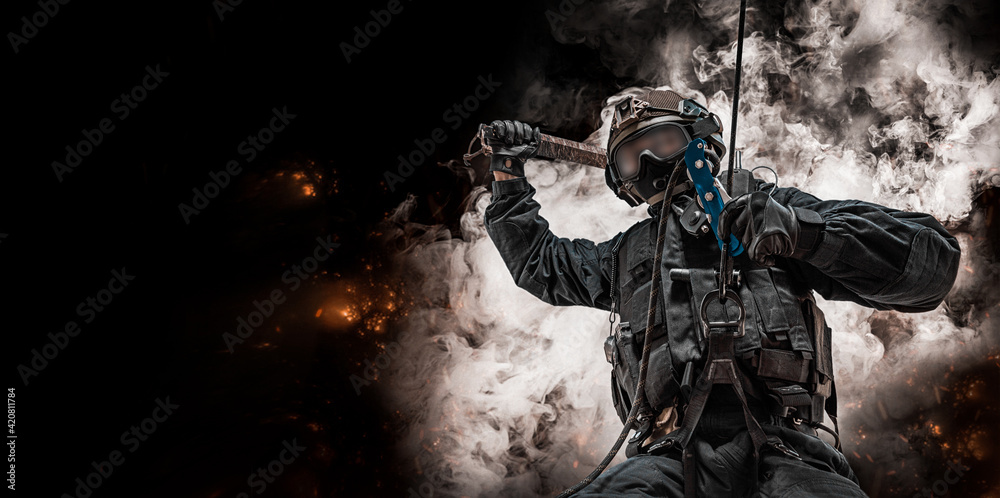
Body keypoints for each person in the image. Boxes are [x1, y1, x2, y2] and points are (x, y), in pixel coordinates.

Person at [481, 89, 961, 497]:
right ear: (621, 178)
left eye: (664, 141)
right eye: (632, 156)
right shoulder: (621, 257)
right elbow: (539, 264)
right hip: (665, 456)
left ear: (701, 144)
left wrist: (805, 232)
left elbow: (930, 264)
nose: (649, 161)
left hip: (787, 447)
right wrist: (507, 177)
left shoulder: (772, 214)